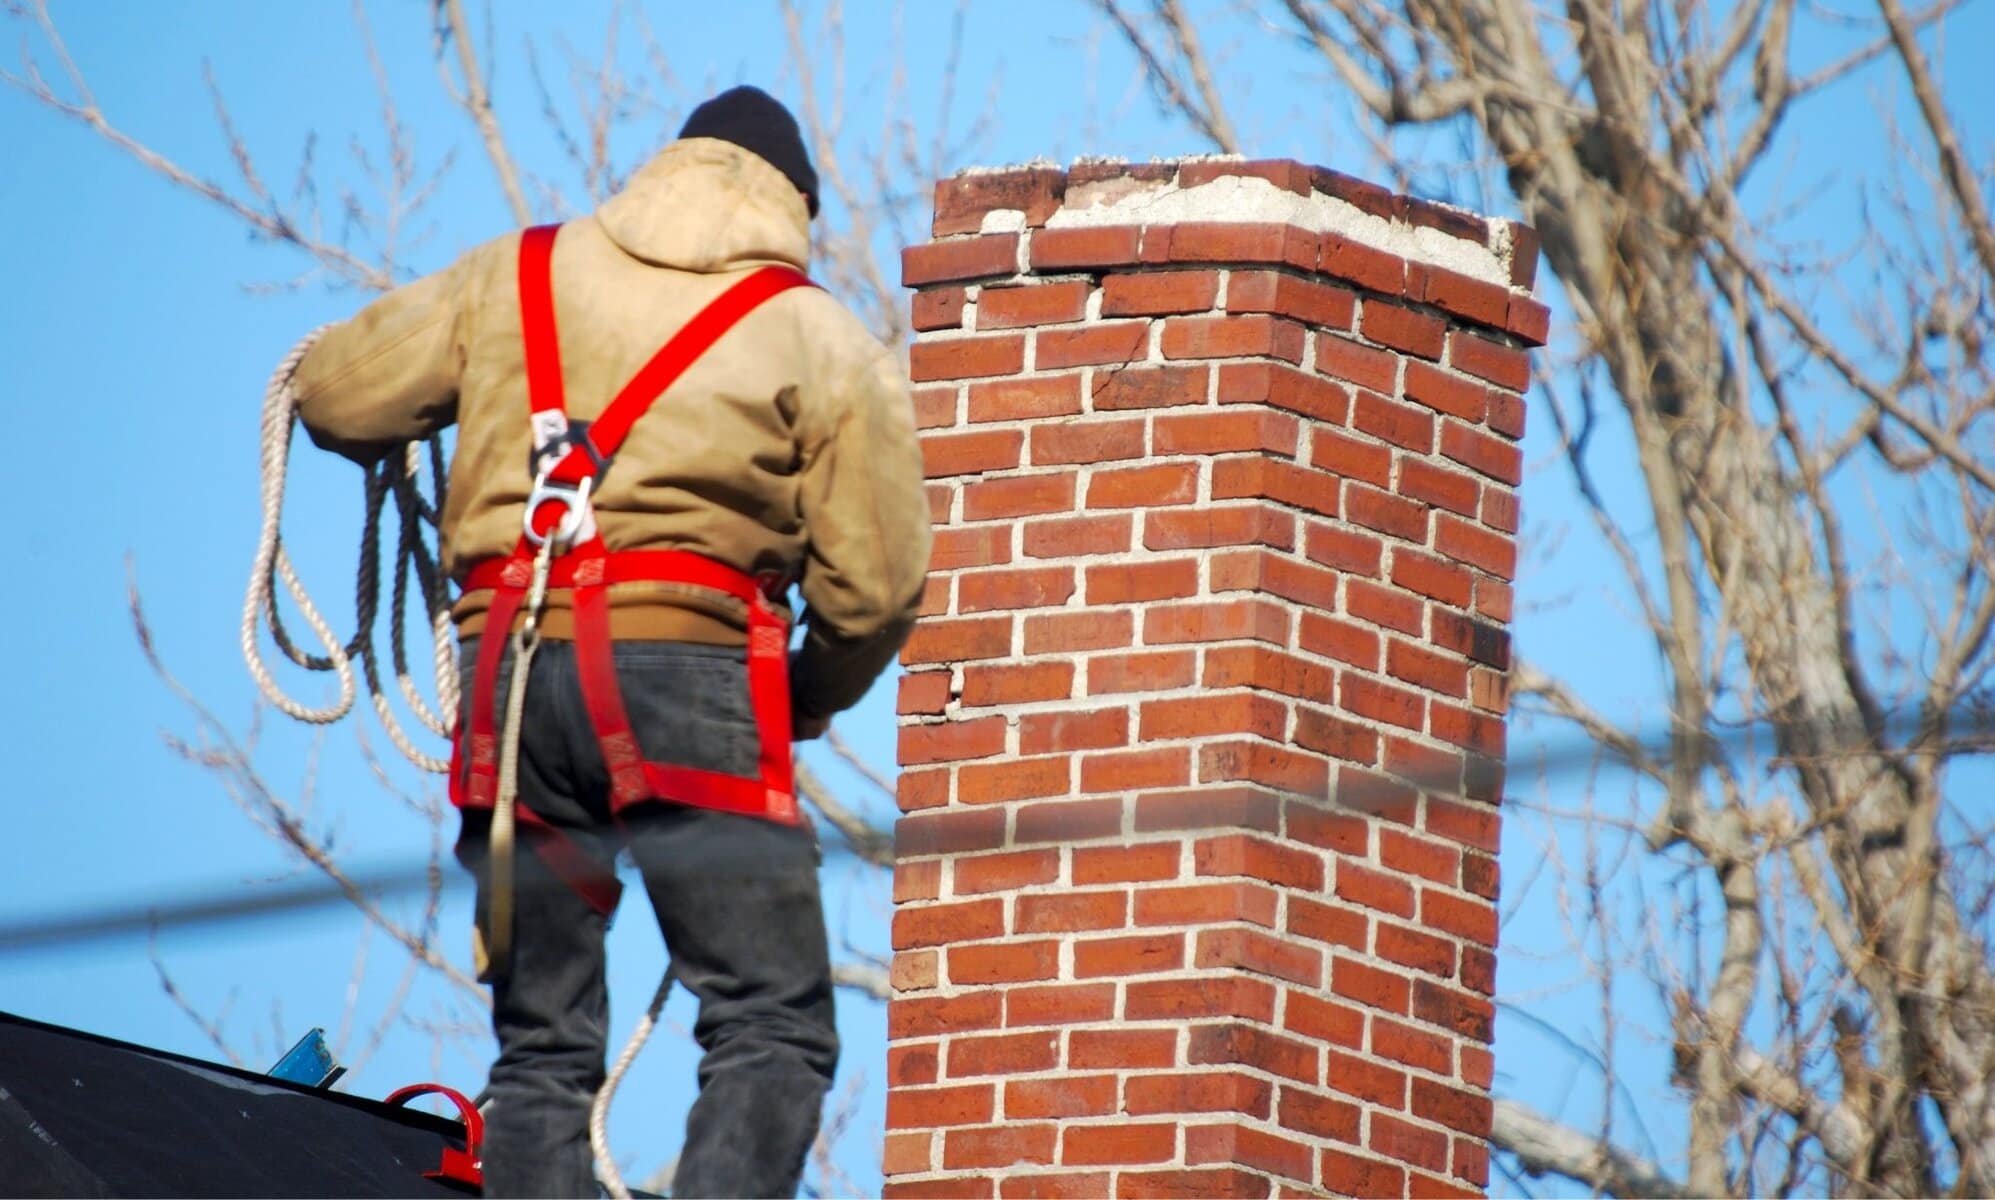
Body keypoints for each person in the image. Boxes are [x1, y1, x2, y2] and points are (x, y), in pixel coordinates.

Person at [289, 85, 932, 1198]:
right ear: (792, 209)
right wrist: (811, 692)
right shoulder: (816, 332)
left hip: (512, 679)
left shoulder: (514, 274)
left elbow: (337, 397)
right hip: (689, 680)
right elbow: (874, 592)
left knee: (541, 1048)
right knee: (769, 1020)